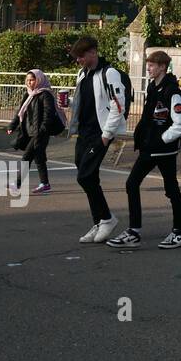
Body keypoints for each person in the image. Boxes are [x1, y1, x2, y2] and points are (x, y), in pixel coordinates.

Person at [107, 50, 181, 249]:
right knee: (134, 184)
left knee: (169, 189)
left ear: (162, 67)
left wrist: (162, 139)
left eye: (152, 65)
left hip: (163, 150)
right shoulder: (154, 88)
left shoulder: (172, 92)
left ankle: (178, 231)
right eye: (148, 64)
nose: (148, 68)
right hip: (151, 148)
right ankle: (135, 231)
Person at [68, 36, 127, 245]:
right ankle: (100, 221)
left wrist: (106, 135)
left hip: (99, 133)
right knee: (88, 176)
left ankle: (107, 219)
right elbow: (86, 100)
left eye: (81, 56)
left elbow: (118, 104)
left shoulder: (109, 74)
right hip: (84, 132)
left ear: (93, 52)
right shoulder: (82, 74)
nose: (79, 60)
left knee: (84, 176)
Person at [7, 68, 58, 194]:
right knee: (39, 158)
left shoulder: (45, 94)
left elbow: (48, 115)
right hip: (29, 131)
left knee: (26, 157)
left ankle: (17, 184)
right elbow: (20, 112)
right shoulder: (28, 94)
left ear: (39, 80)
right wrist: (12, 126)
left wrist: (41, 131)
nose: (30, 83)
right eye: (28, 80)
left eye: (32, 80)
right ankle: (45, 184)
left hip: (39, 133)